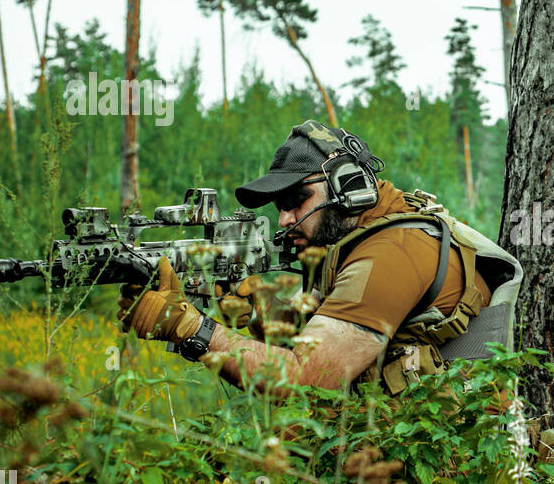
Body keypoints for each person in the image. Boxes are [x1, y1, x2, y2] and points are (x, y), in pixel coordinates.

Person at [117, 121, 522, 397]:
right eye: (280, 205)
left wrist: (193, 330)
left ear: (349, 187)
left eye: (296, 201)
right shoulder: (374, 234)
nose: (285, 218)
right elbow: (337, 340)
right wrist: (257, 311)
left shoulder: (389, 254)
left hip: (446, 479)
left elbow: (309, 378)